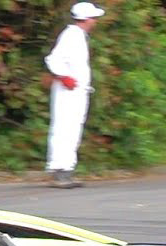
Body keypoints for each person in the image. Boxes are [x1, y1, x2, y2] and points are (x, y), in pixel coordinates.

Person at [44, 2, 105, 189]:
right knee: (64, 128)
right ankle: (59, 171)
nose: (95, 21)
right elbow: (53, 59)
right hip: (67, 91)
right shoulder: (71, 35)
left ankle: (67, 169)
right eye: (93, 18)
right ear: (86, 19)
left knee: (73, 129)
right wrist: (64, 76)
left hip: (76, 91)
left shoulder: (78, 36)